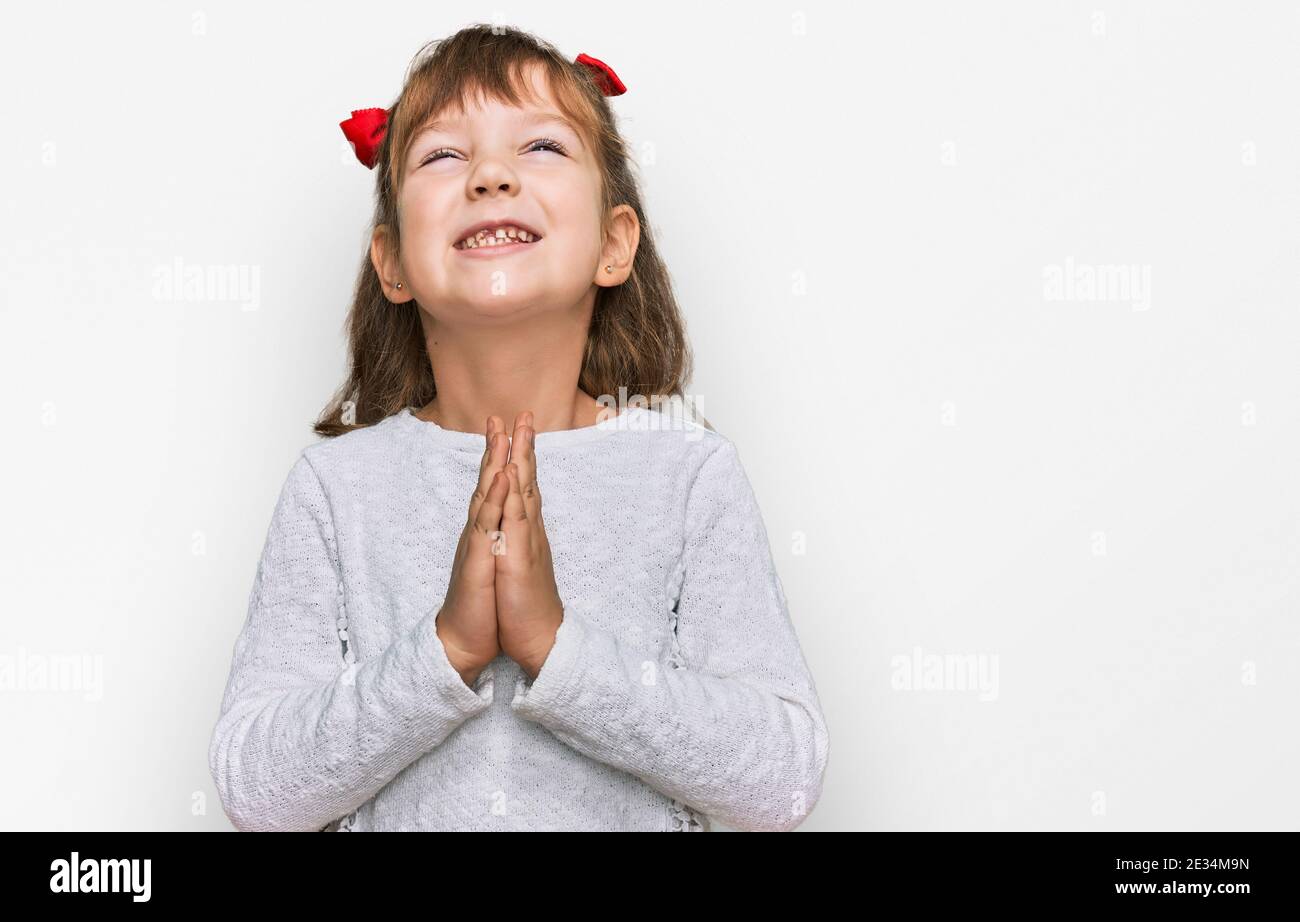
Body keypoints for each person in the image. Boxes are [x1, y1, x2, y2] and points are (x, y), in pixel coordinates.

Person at [207, 23, 829, 832]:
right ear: (390, 263)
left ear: (614, 243)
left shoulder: (687, 475)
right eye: (442, 155)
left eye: (539, 146)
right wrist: (447, 650)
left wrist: (556, 648)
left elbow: (779, 781)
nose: (491, 176)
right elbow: (257, 792)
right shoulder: (336, 488)